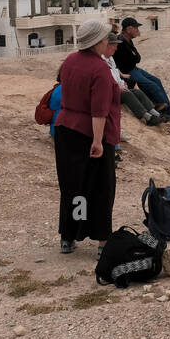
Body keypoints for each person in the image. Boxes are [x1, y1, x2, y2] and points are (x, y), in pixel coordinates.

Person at [53, 19, 121, 255]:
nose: (107, 42)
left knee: (72, 185)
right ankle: (102, 241)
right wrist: (97, 142)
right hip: (89, 132)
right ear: (97, 42)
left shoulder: (70, 60)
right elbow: (99, 110)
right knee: (101, 187)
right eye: (104, 39)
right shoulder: (100, 68)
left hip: (64, 128)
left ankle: (68, 237)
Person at [113, 18, 170, 122]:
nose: (137, 30)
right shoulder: (121, 42)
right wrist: (134, 57)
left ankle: (169, 111)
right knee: (151, 86)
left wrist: (134, 57)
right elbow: (133, 59)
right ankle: (165, 113)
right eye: (135, 28)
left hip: (133, 68)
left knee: (157, 80)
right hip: (127, 72)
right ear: (128, 29)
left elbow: (137, 58)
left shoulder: (129, 41)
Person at [107, 35, 166, 126]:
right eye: (114, 45)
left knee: (137, 92)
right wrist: (117, 86)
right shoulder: (101, 60)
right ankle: (147, 117)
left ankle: (156, 114)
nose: (116, 48)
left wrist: (122, 77)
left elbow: (114, 69)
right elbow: (105, 78)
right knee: (128, 94)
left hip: (119, 86)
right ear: (107, 45)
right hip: (111, 91)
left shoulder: (110, 58)